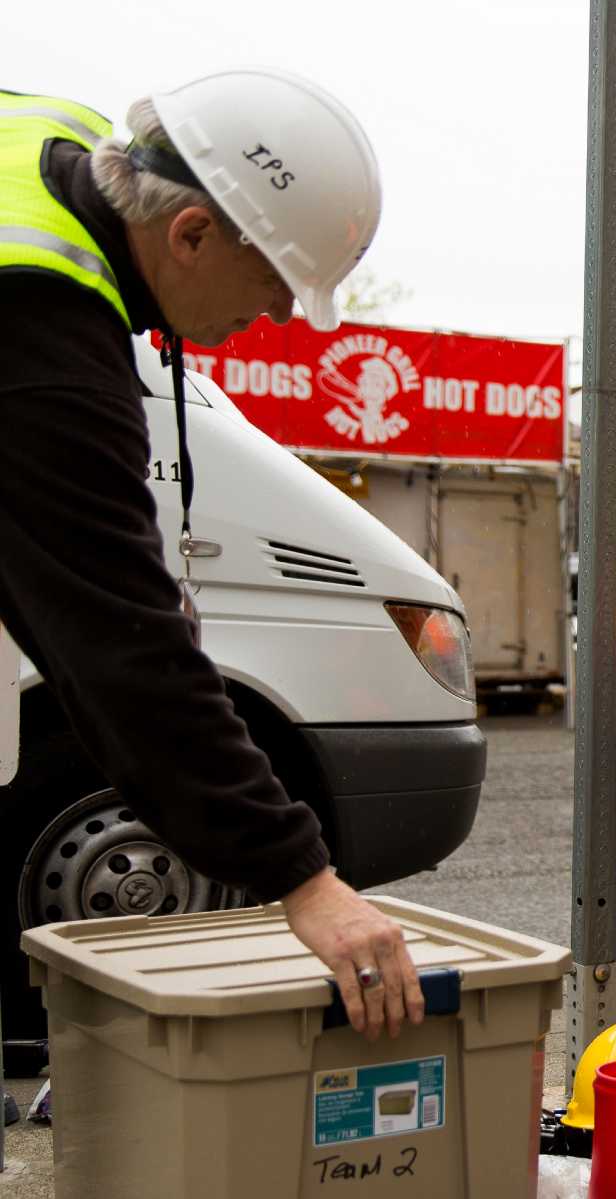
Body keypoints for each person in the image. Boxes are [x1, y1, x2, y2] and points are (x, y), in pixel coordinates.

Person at [0, 75, 422, 1038]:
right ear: (190, 233)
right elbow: (121, 656)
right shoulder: (39, 328)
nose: (278, 314)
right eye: (275, 282)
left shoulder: (51, 142)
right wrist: (303, 879)